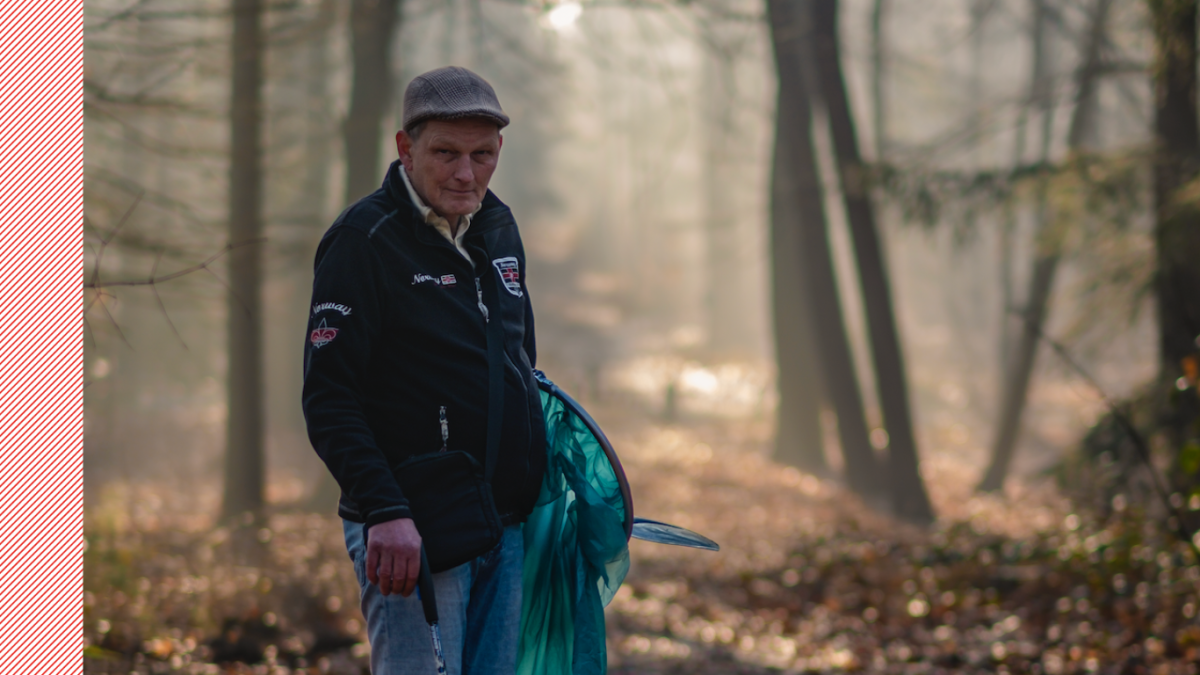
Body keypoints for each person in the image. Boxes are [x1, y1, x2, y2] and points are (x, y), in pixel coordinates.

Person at [301, 66, 546, 675]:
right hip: (413, 528)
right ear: (405, 148)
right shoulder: (364, 240)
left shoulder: (498, 226)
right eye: (446, 153)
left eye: (482, 155)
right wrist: (385, 510)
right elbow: (329, 398)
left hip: (508, 526)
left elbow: (521, 362)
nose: (466, 174)